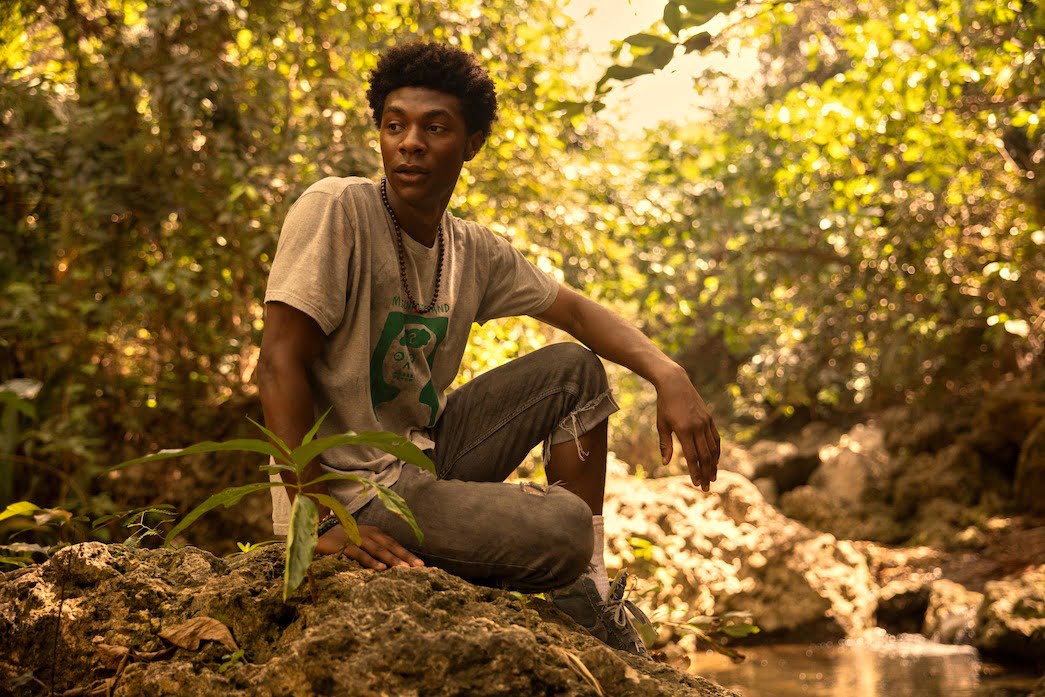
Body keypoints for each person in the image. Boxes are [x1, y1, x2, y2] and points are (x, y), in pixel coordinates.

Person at [258, 40, 720, 657]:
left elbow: (575, 312)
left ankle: (585, 597)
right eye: (395, 125)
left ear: (471, 144)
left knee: (573, 370)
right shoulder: (337, 209)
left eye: (434, 127)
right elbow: (277, 363)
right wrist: (318, 522)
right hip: (351, 494)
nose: (410, 143)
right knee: (564, 528)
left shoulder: (470, 249)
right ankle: (543, 563)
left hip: (422, 459)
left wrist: (669, 373)